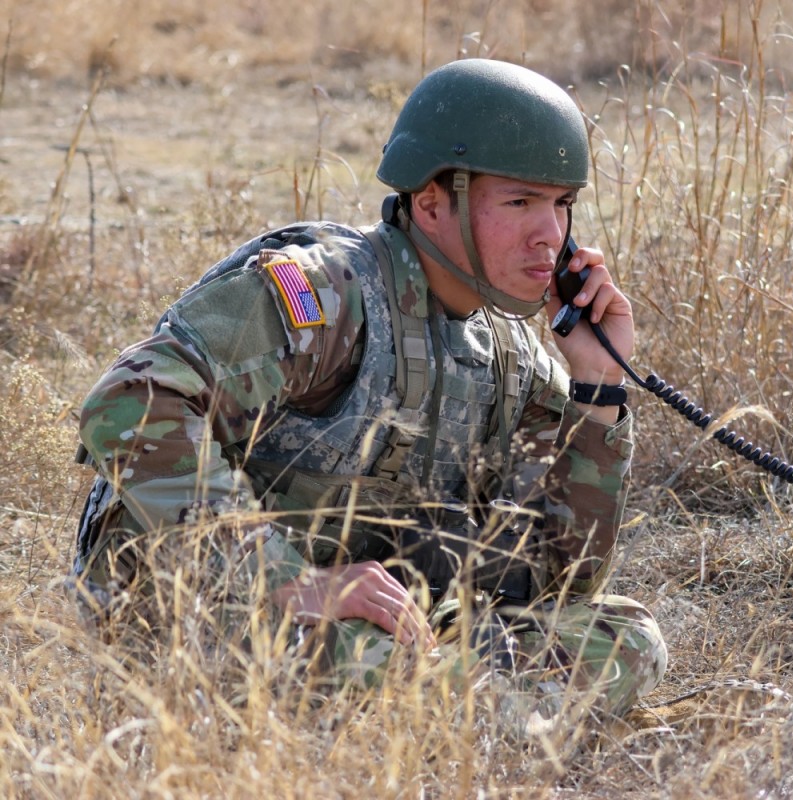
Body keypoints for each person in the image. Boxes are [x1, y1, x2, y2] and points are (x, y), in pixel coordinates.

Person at [70, 58, 667, 736]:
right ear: (431, 203)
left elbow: (564, 582)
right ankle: (458, 717)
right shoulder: (324, 294)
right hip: (212, 607)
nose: (550, 236)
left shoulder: (511, 354)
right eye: (520, 203)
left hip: (374, 624)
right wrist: (281, 578)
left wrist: (598, 384)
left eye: (562, 205)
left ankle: (443, 711)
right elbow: (128, 400)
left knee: (629, 637)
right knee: (380, 666)